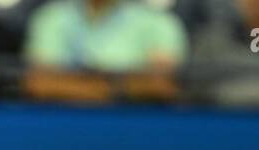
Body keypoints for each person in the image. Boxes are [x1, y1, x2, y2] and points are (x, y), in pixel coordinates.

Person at [23, 0, 188, 103]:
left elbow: (161, 86)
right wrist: (120, 87)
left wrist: (74, 85)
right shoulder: (51, 17)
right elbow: (40, 84)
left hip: (136, 127)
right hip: (62, 125)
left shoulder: (158, 21)